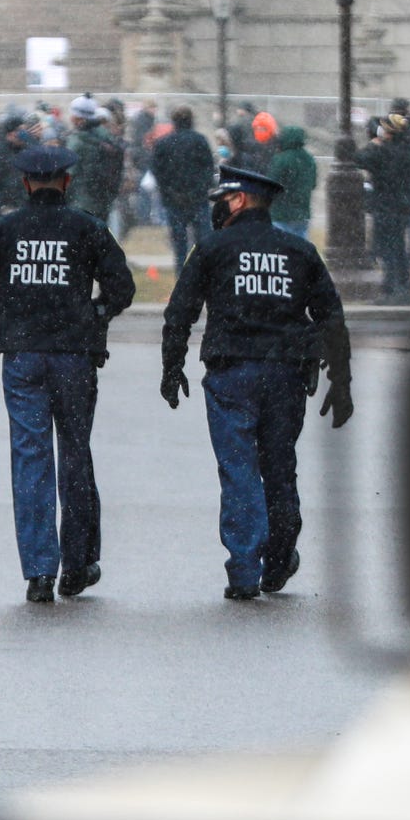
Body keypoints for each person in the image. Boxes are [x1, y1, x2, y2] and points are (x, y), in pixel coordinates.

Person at [161, 165, 353, 600]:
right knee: (280, 469)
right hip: (286, 373)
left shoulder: (212, 249)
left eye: (222, 201)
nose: (217, 209)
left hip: (232, 374)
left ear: (241, 200)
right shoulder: (298, 250)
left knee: (239, 470)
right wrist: (341, 381)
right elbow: (330, 318)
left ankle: (245, 568)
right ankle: (280, 557)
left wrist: (172, 367)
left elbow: (180, 313)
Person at [0, 146, 136, 604]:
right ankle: (77, 564)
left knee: (30, 458)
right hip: (74, 354)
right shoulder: (87, 228)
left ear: (24, 185)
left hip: (22, 354)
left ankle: (39, 570)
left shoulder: (3, 230)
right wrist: (94, 315)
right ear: (67, 183)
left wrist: (5, 320)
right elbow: (122, 286)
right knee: (75, 454)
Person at [358, 113, 410, 305]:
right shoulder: (407, 150)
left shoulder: (384, 151)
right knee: (398, 249)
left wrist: (374, 144)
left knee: (389, 250)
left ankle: (393, 290)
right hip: (400, 205)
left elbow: (359, 159)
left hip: (386, 205)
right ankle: (402, 289)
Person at [150, 106, 217, 266]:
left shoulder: (163, 143)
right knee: (203, 242)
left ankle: (182, 277)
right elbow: (208, 168)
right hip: (198, 199)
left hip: (173, 200)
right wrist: (200, 189)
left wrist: (170, 191)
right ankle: (205, 274)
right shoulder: (200, 140)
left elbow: (157, 172)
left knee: (179, 244)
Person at [65, 98, 123, 229]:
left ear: (76, 117)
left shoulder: (77, 140)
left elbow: (69, 174)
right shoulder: (106, 135)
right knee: (98, 240)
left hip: (81, 199)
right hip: (104, 198)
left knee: (81, 241)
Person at [268, 125, 317, 234]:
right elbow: (313, 184)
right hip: (302, 211)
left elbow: (272, 183)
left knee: (281, 246)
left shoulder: (280, 159)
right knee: (300, 245)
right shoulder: (309, 159)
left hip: (281, 212)